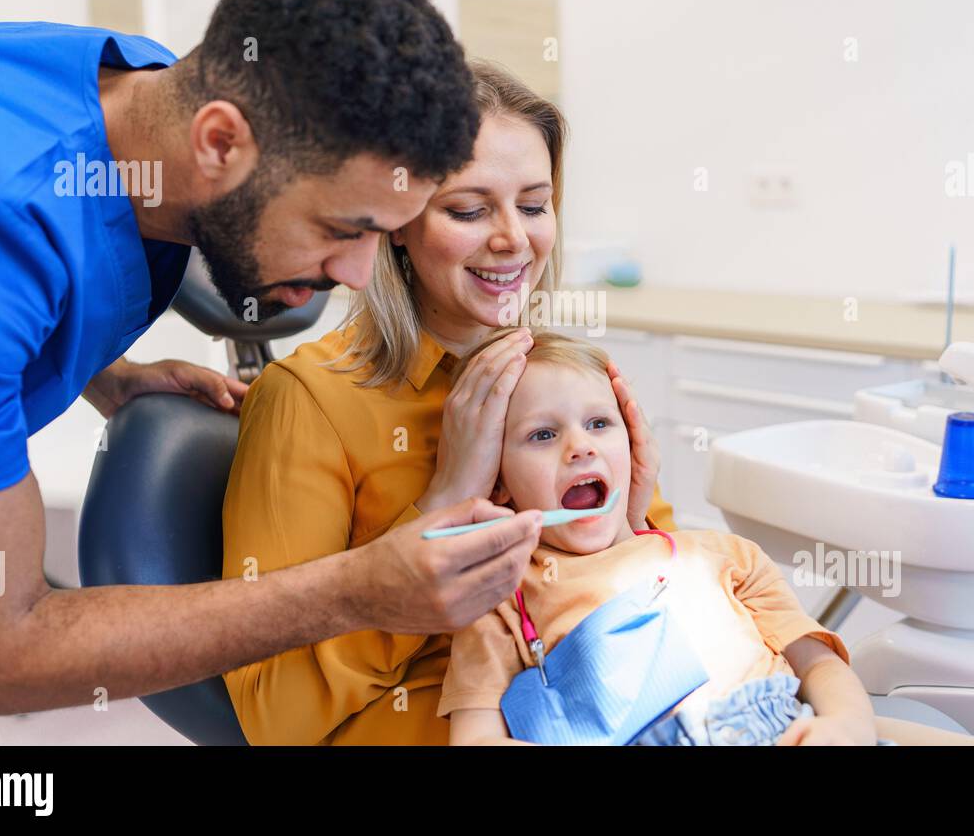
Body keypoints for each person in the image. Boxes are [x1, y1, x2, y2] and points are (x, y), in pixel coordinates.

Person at [0, 0, 541, 737]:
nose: (356, 272)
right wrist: (355, 590)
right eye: (343, 227)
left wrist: (106, 369)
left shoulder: (141, 93)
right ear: (218, 143)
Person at [221, 61, 675, 743]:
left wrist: (634, 527)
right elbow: (270, 714)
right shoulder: (308, 402)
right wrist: (443, 503)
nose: (513, 240)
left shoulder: (569, 382)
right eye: (469, 209)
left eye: (532, 205)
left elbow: (662, 602)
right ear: (395, 222)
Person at [439, 329, 881, 746]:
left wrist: (844, 724)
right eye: (542, 434)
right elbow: (477, 738)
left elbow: (820, 665)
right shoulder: (499, 606)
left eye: (598, 423)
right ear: (498, 483)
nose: (580, 446)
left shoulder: (729, 557)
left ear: (632, 445)